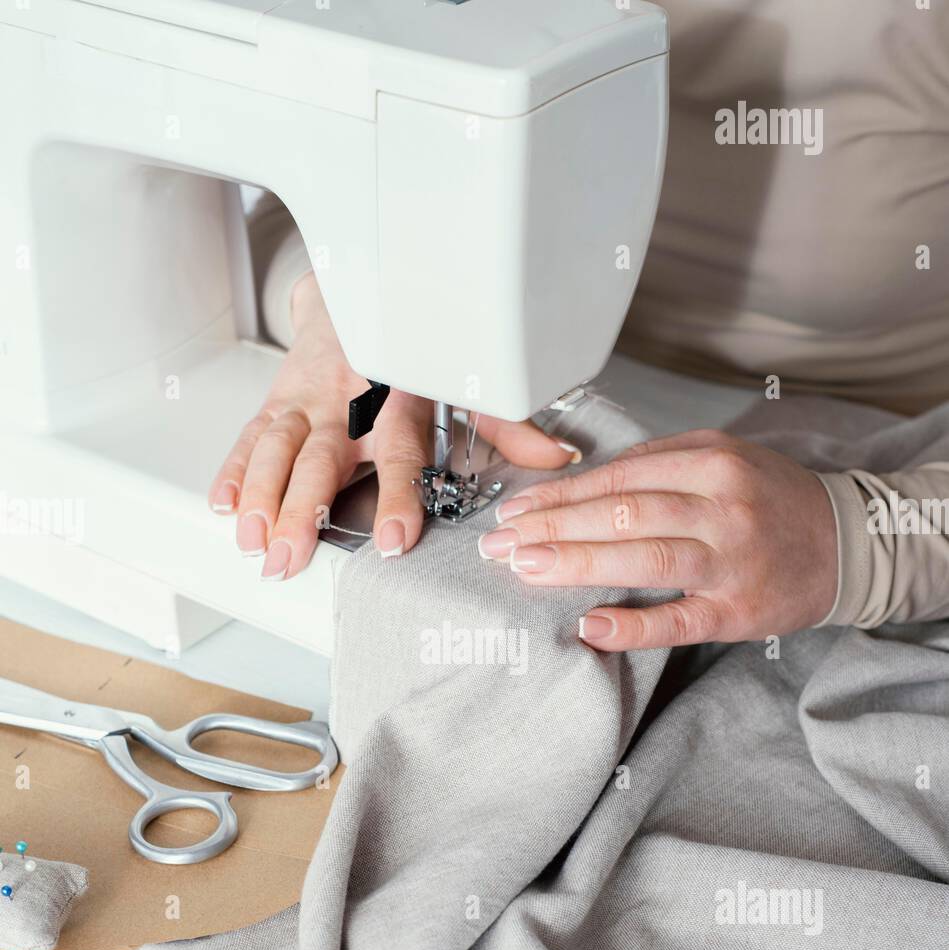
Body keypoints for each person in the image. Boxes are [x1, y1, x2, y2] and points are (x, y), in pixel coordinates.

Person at [208, 0, 949, 651]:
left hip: (882, 426)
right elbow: (300, 168)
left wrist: (856, 543)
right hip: (557, 390)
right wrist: (347, 306)